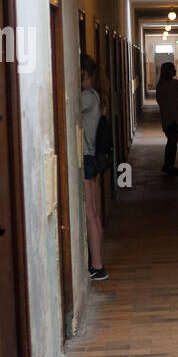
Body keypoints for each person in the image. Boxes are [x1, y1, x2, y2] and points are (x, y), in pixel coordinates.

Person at [80, 55, 107, 281]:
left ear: (85, 75)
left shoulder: (87, 97)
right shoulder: (96, 96)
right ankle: (97, 262)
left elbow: (64, 102)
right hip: (91, 157)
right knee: (94, 214)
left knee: (90, 214)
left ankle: (97, 265)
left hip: (87, 157)